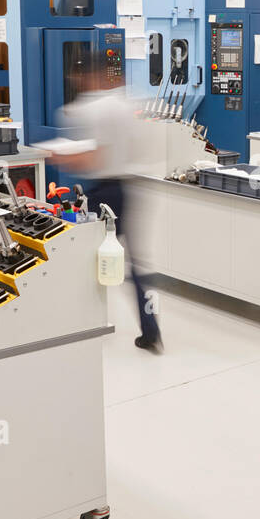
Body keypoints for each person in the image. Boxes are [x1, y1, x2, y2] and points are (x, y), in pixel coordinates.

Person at [53, 68, 161, 352]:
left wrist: (60, 157)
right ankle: (151, 330)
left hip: (106, 191)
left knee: (79, 253)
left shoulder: (100, 110)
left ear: (94, 77)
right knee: (135, 266)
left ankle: (78, 322)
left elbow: (93, 158)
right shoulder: (129, 105)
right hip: (129, 188)